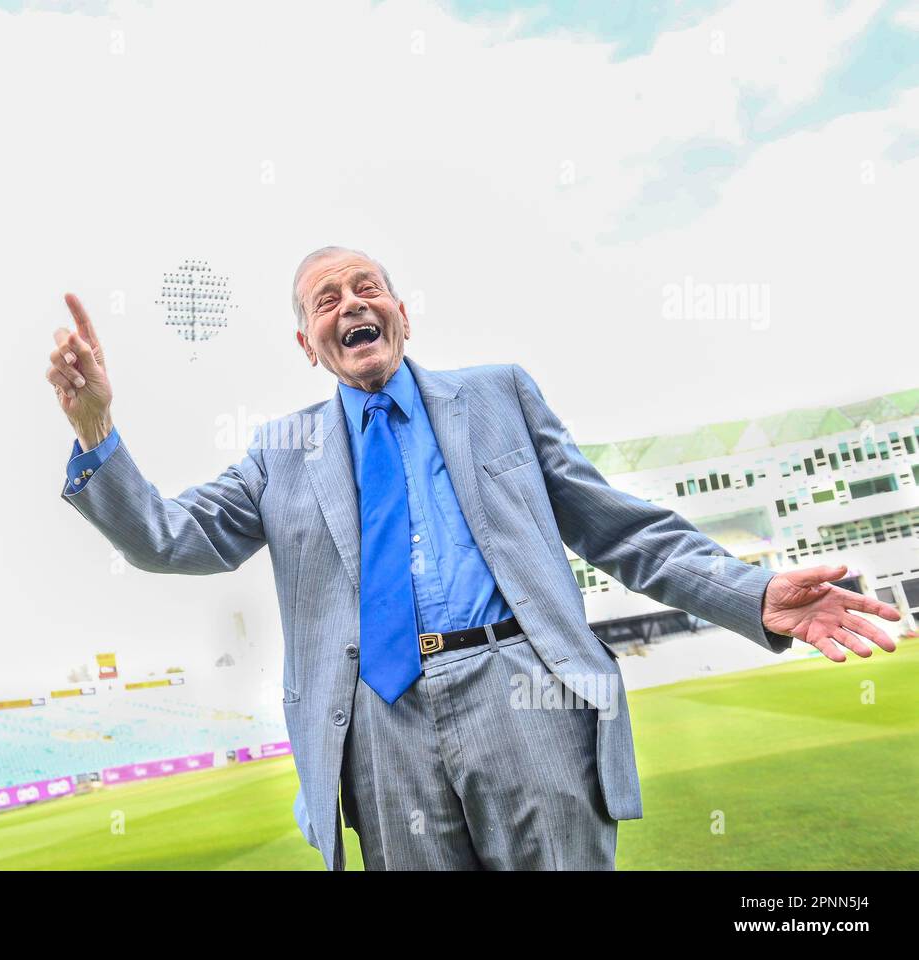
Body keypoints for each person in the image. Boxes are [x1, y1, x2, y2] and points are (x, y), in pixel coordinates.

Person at [46, 245, 901, 871]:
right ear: (307, 344)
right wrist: (96, 431)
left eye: (366, 288)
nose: (350, 305)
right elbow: (169, 537)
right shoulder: (280, 452)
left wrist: (749, 593)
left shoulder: (499, 397)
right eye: (325, 300)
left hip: (520, 692)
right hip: (376, 729)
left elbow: (618, 527)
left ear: (402, 315)